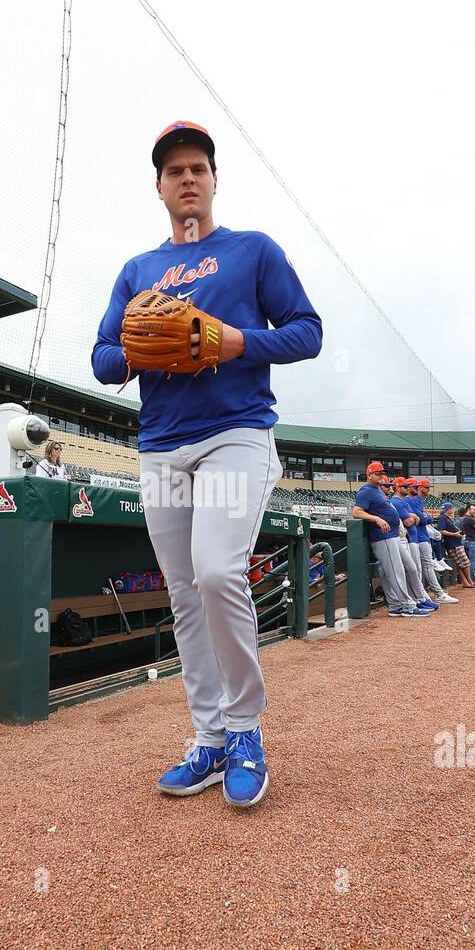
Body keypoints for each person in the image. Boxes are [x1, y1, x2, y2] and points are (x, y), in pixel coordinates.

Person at [91, 120, 323, 808]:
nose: (186, 178)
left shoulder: (252, 251)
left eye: (197, 167)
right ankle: (210, 739)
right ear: (159, 187)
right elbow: (103, 360)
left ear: (213, 179)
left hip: (235, 433)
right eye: (174, 170)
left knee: (220, 572)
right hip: (162, 442)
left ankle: (247, 728)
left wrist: (233, 343)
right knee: (185, 592)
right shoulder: (138, 271)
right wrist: (141, 346)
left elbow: (307, 331)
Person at [352, 463, 434, 618]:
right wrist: (376, 519)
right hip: (383, 537)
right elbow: (356, 512)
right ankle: (407, 606)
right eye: (377, 473)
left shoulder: (378, 490)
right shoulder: (365, 491)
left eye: (382, 473)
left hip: (393, 536)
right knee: (396, 572)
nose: (381, 475)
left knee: (407, 568)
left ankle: (396, 605)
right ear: (369, 475)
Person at [409, 477, 458, 601]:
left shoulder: (419, 500)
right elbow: (424, 519)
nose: (429, 489)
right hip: (418, 537)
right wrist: (427, 517)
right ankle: (435, 594)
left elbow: (425, 519)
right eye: (427, 487)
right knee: (424, 567)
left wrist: (427, 517)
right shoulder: (413, 500)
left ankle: (431, 593)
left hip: (422, 535)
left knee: (424, 566)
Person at [438, 503, 475, 590]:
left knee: (461, 564)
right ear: (448, 509)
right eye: (451, 508)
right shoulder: (442, 518)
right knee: (465, 562)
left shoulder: (446, 518)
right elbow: (441, 531)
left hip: (455, 542)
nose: (452, 510)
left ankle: (466, 582)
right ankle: (469, 581)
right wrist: (454, 534)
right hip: (453, 543)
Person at [460, 504, 475, 585]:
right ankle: (472, 581)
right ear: (468, 510)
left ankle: (467, 581)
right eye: (473, 509)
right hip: (471, 541)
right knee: (472, 563)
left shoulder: (463, 519)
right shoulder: (470, 518)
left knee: (466, 563)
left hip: (464, 541)